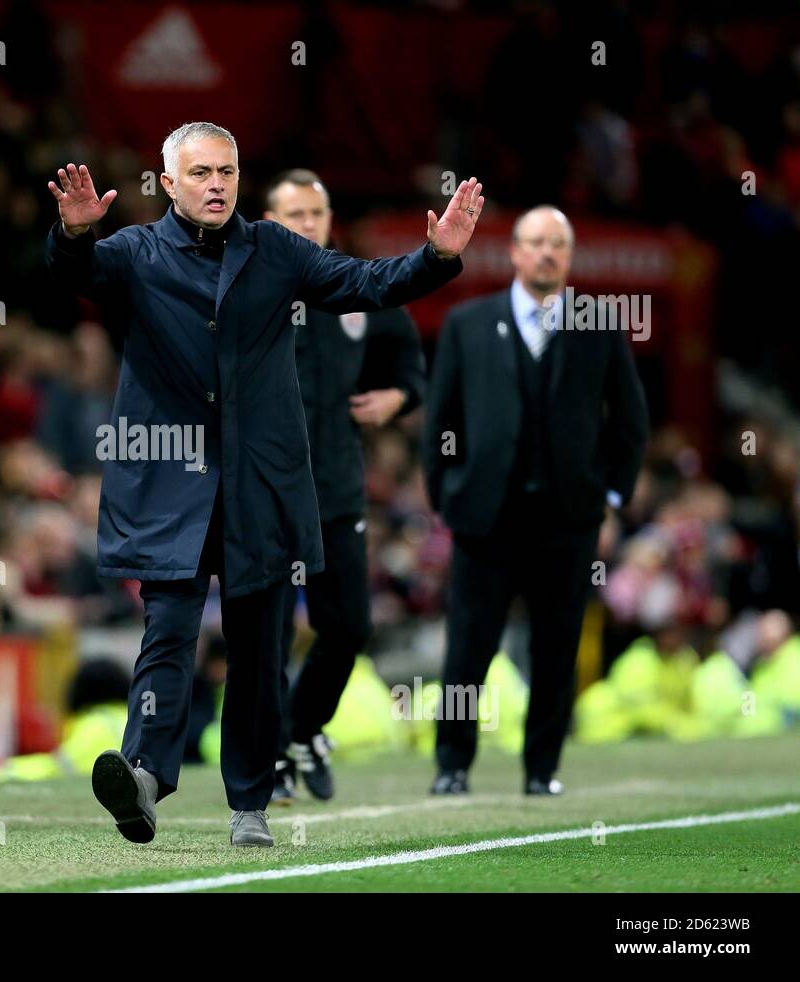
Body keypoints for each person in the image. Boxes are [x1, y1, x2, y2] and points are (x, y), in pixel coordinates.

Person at [45, 121, 482, 845]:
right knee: (170, 630)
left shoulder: (275, 249)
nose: (216, 184)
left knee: (257, 645)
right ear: (169, 183)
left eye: (227, 171)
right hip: (169, 480)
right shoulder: (133, 253)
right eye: (201, 173)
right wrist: (72, 234)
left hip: (261, 484)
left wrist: (436, 257)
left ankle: (249, 803)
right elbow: (72, 280)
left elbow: (364, 283)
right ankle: (145, 774)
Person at [422, 205, 648, 796]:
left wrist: (612, 494)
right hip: (484, 517)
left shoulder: (601, 323)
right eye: (535, 243)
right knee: (469, 647)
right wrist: (444, 496)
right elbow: (439, 420)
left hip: (567, 518)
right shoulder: (468, 323)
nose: (546, 253)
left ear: (569, 256)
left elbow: (630, 420)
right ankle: (452, 764)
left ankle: (541, 769)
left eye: (558, 244)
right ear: (515, 252)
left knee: (558, 646)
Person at [263, 168, 428, 803]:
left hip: (335, 486)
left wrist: (399, 395)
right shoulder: (255, 289)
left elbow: (410, 361)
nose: (309, 224)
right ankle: (272, 753)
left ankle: (304, 729)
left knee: (351, 624)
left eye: (317, 213)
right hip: (268, 491)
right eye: (295, 214)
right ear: (271, 222)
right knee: (270, 633)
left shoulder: (354, 288)